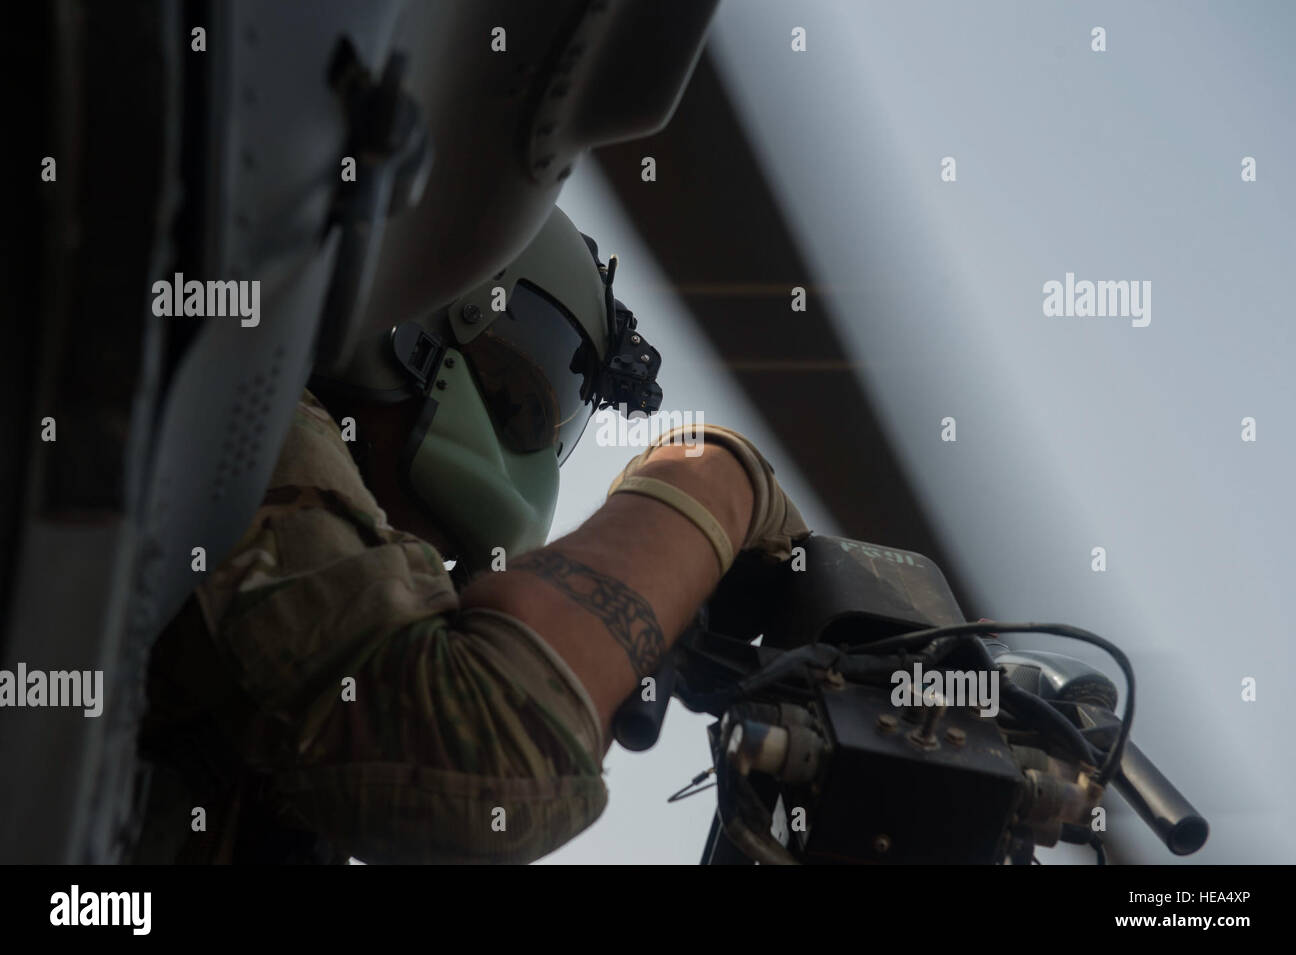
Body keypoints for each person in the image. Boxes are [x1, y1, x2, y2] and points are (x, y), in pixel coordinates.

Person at [133, 207, 808, 863]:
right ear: (418, 316)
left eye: (551, 423)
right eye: (517, 397)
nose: (534, 456)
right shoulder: (234, 413)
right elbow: (473, 754)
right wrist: (713, 472)